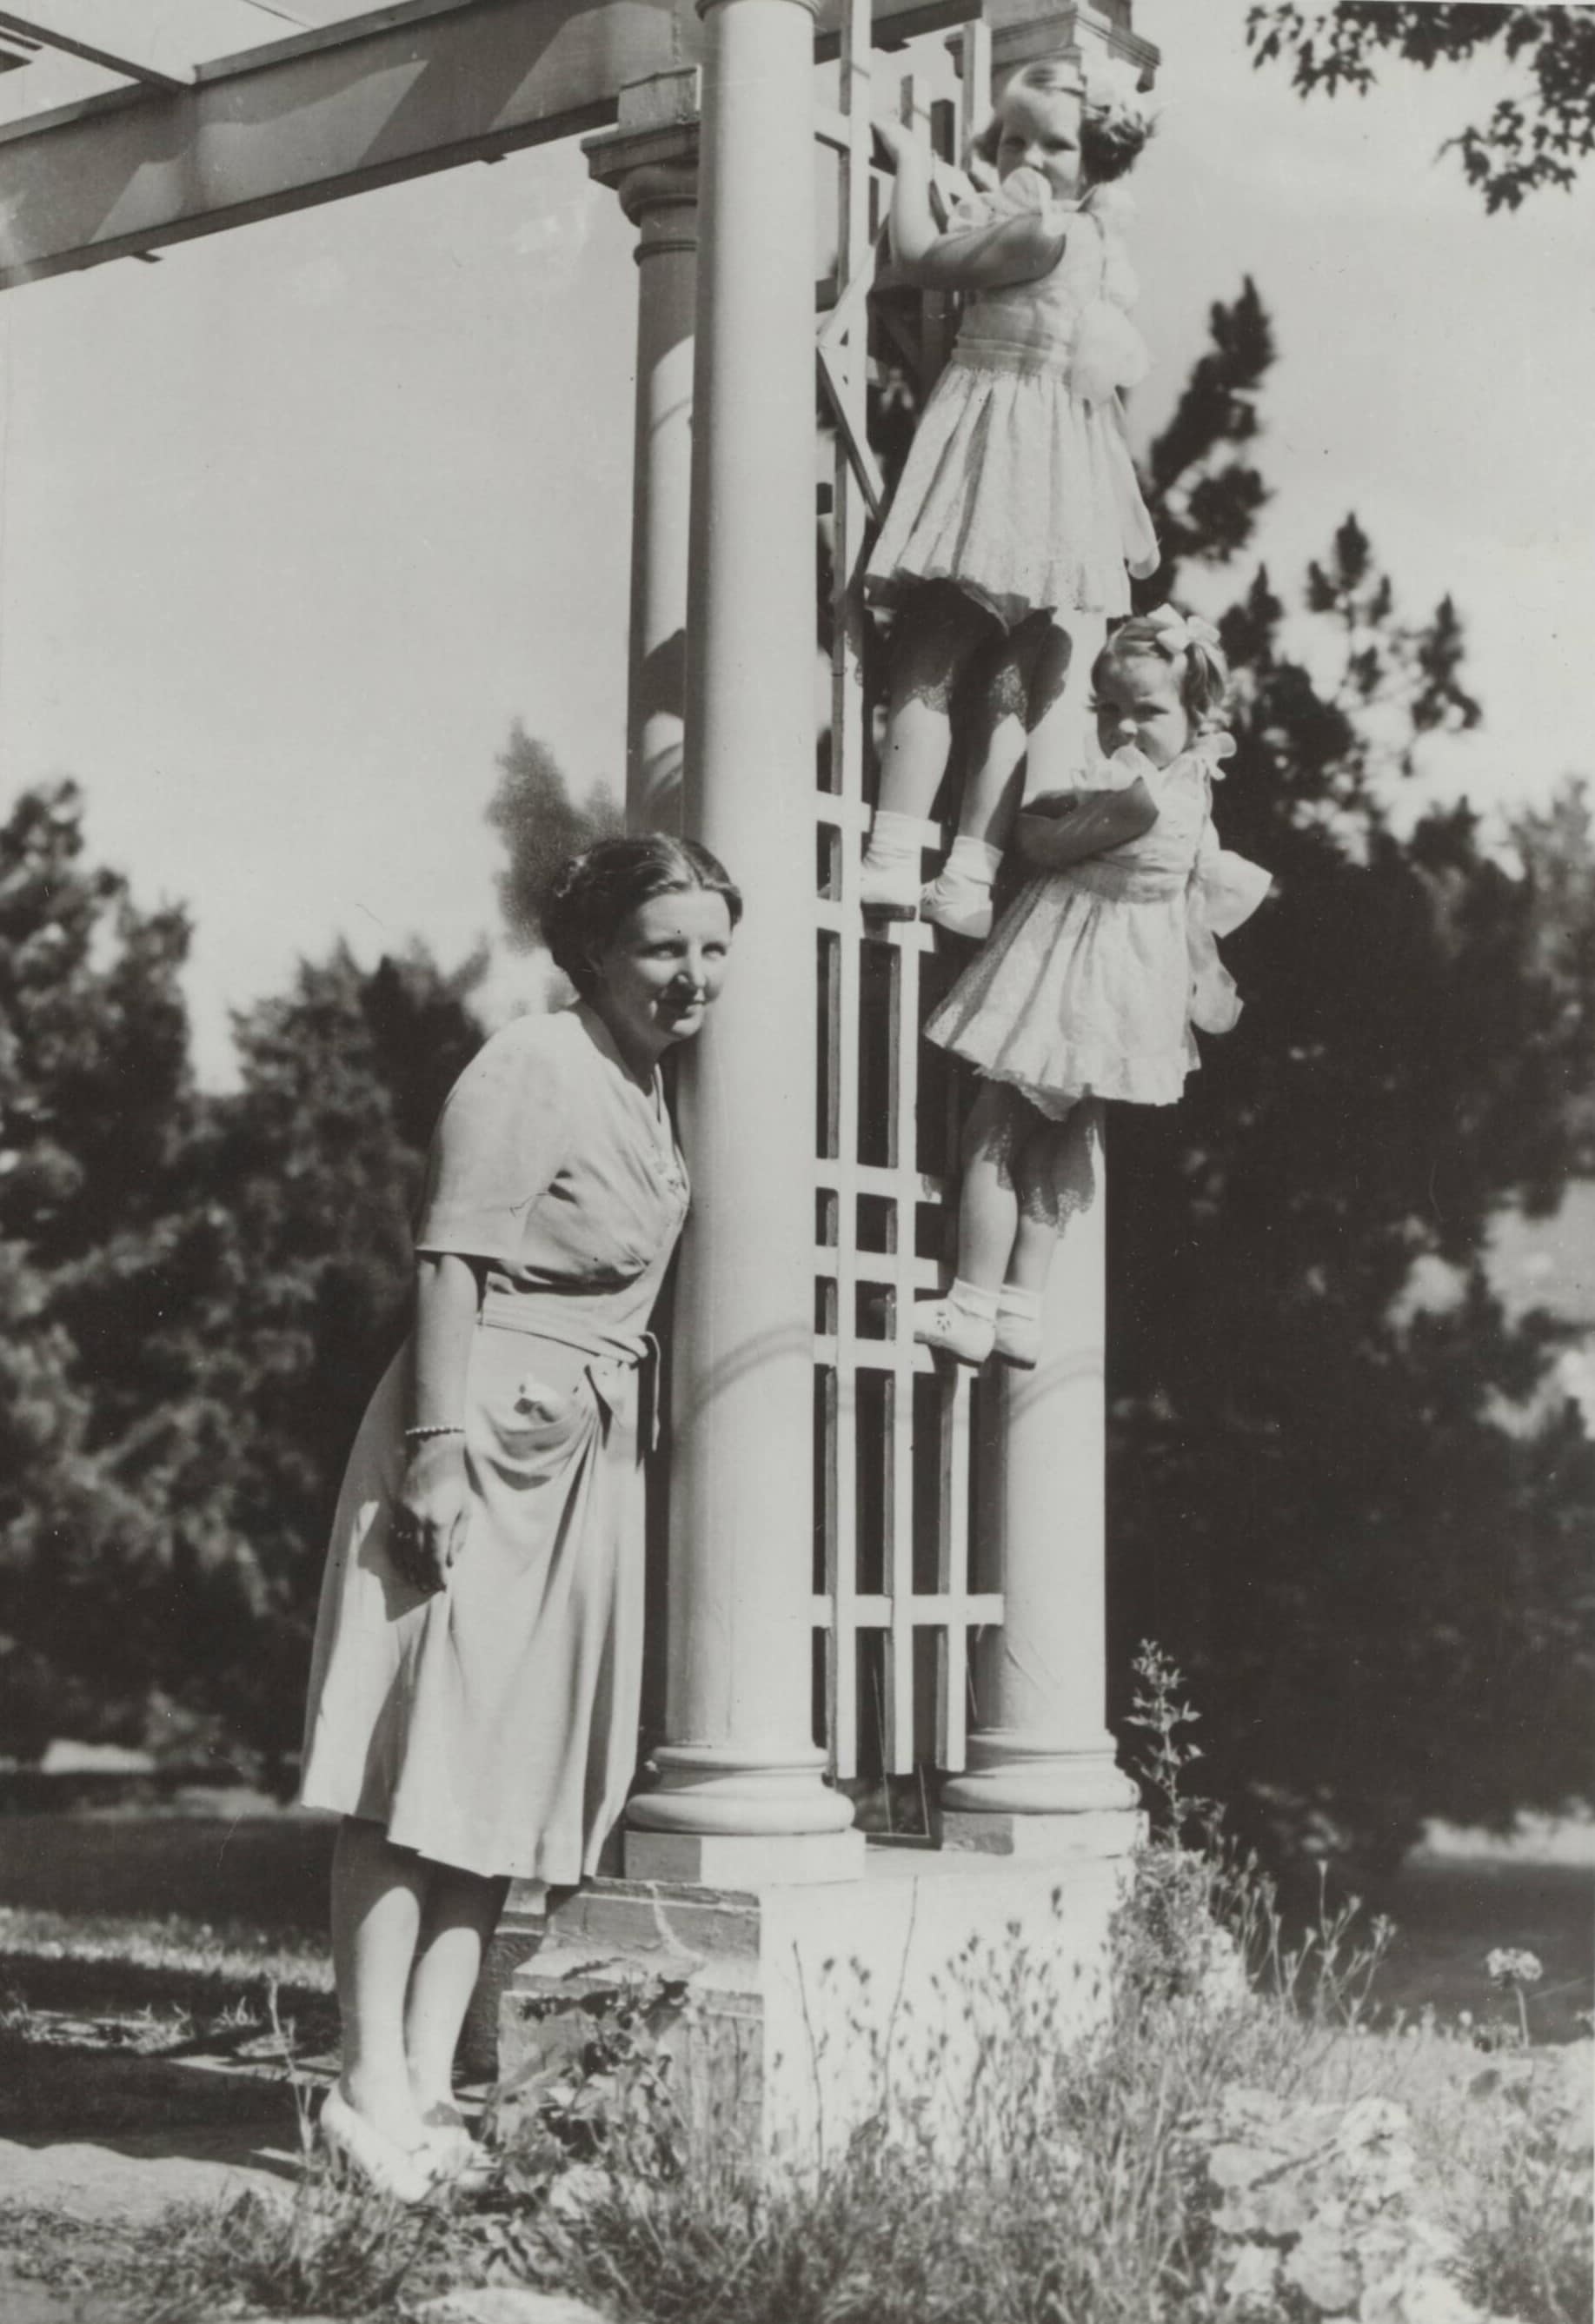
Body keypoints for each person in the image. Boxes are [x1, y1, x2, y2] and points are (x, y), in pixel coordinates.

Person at [298, 833, 741, 2201]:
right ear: (593, 949)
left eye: (714, 949)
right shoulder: (534, 1062)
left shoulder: (646, 1084)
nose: (693, 975)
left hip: (572, 1456)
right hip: (473, 1431)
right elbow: (450, 1259)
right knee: (410, 1758)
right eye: (665, 946)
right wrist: (433, 1452)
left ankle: (429, 2084)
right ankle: (367, 2079)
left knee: (498, 1778)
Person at [914, 608, 1269, 1368]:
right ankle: (1021, 1308)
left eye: (1147, 711)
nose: (1124, 728)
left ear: (1196, 716)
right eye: (1108, 710)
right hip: (1129, 989)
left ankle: (973, 1301)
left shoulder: (1138, 793)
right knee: (1061, 1143)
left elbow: (1041, 841)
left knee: (994, 1130)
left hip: (1074, 971)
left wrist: (1049, 816)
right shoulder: (1193, 785)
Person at [858, 57, 1160, 940]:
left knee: (931, 649)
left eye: (1052, 144)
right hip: (1061, 471)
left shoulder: (1040, 234)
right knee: (1006, 679)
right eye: (1011, 139)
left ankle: (890, 854)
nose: (1026, 156)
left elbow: (917, 257)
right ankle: (968, 876)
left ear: (1096, 159)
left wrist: (912, 156)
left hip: (1004, 452)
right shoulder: (1100, 243)